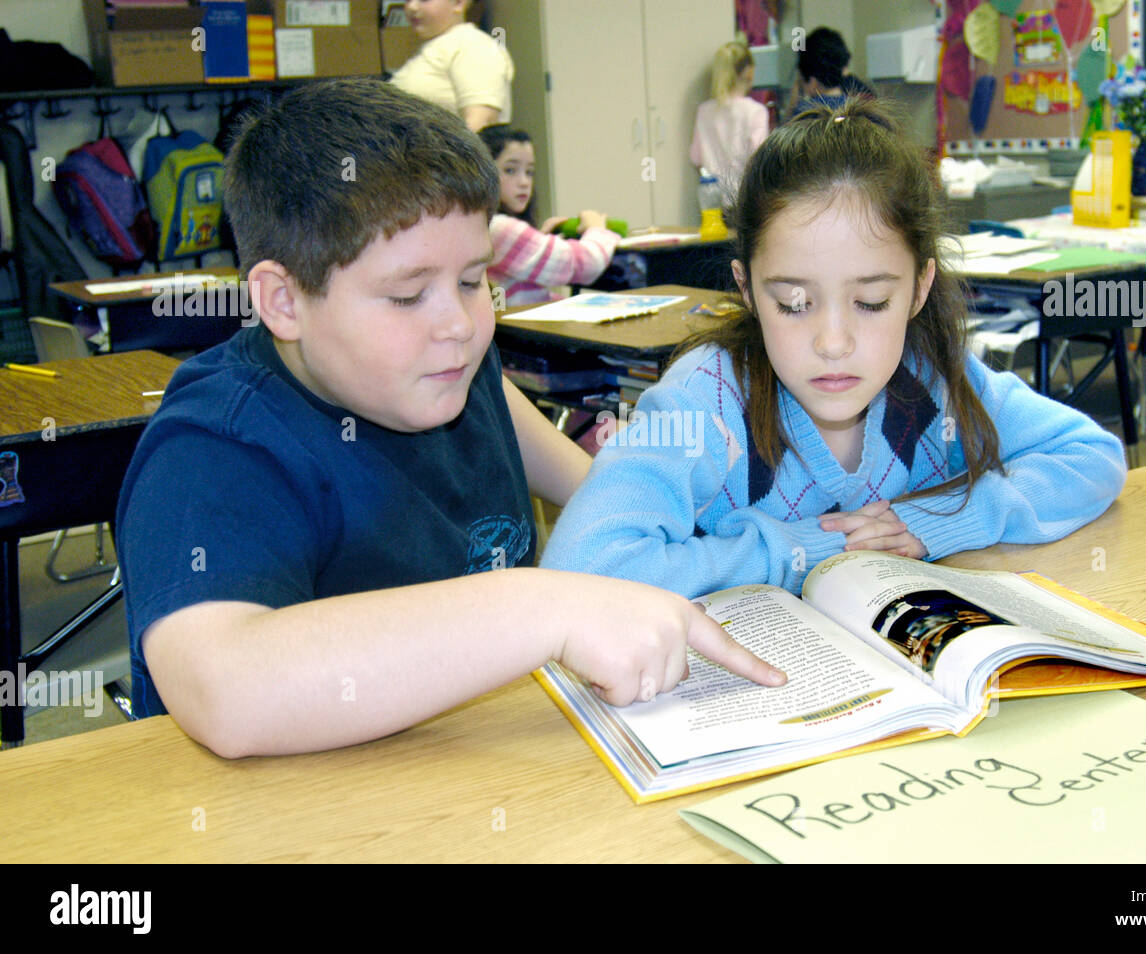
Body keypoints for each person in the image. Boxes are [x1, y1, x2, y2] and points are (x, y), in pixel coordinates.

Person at [115, 79, 784, 759]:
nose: (461, 326)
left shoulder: (458, 374)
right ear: (283, 301)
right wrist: (541, 607)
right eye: (408, 296)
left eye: (472, 281)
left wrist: (794, 535)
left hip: (478, 767)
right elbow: (228, 691)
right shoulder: (215, 447)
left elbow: (612, 502)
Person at [540, 98, 1126, 599]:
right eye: (793, 303)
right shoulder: (706, 401)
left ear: (919, 287)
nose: (834, 343)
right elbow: (580, 567)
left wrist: (942, 521)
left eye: (872, 303)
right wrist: (804, 550)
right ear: (747, 288)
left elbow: (1091, 456)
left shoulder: (932, 377)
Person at [479, 124, 620, 307]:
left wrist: (539, 239)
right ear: (483, 173)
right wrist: (597, 229)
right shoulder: (499, 227)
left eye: (529, 172)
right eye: (510, 170)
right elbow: (581, 265)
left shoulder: (484, 225)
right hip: (521, 333)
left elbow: (522, 288)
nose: (524, 182)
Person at [391, 0, 513, 131]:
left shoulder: (473, 45)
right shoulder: (437, 46)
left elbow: (482, 122)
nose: (412, 7)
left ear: (458, 3)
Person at [689, 41, 769, 204]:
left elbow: (696, 157)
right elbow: (759, 160)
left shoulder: (705, 111)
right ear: (749, 72)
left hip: (712, 202)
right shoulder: (755, 112)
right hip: (744, 201)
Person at [792, 26, 876, 116]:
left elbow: (787, 128)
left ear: (812, 79)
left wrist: (793, 103)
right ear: (843, 69)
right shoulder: (858, 108)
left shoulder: (805, 111)